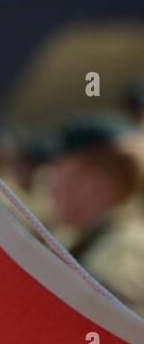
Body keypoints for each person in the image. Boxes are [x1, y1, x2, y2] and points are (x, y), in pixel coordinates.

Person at [46, 117, 144, 316]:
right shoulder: (109, 241)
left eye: (59, 174)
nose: (51, 188)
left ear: (92, 183)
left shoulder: (119, 256)